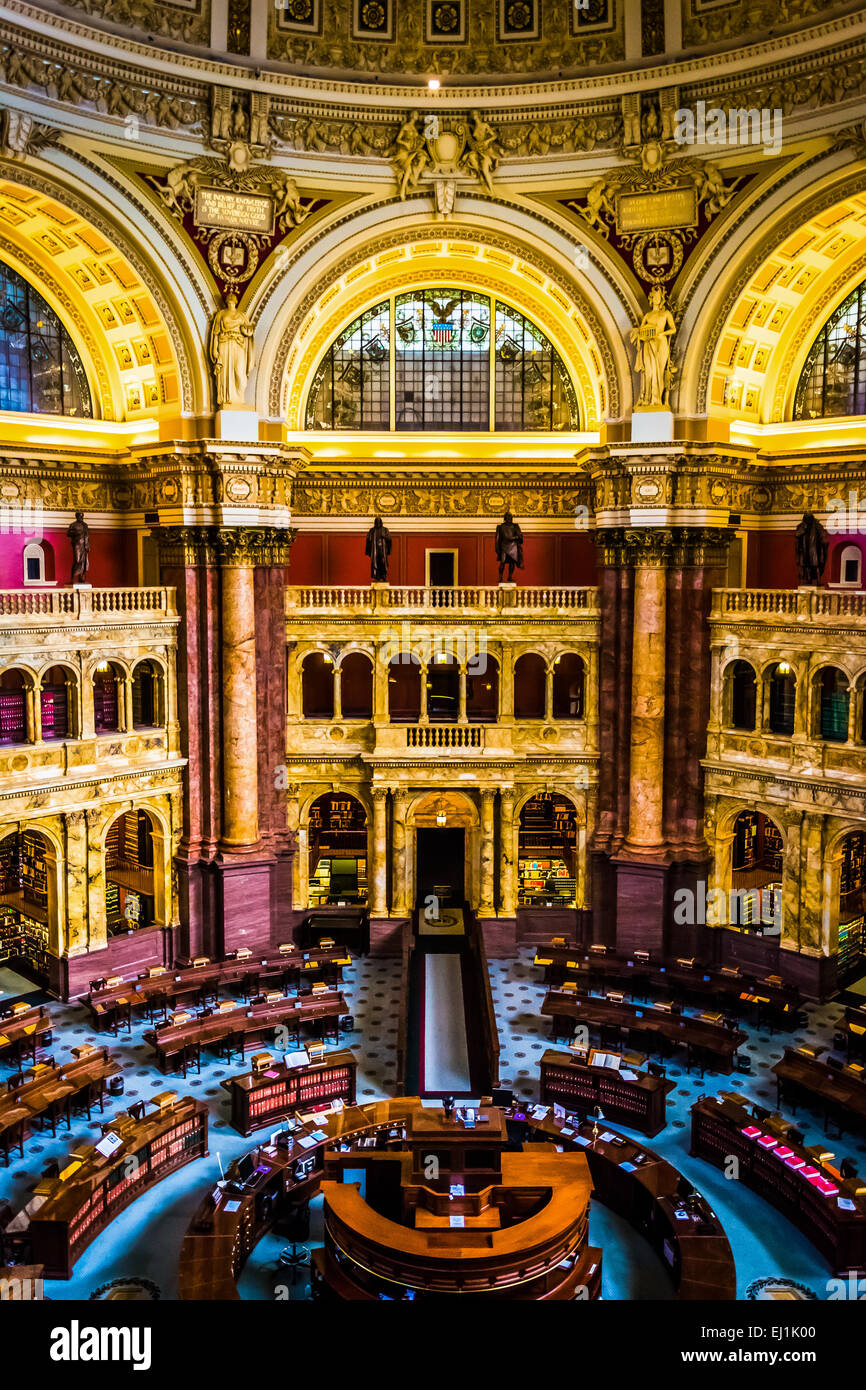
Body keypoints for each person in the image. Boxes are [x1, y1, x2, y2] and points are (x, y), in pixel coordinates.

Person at [629, 284, 676, 407]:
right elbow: (640, 329)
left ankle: (657, 400)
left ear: (661, 298)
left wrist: (662, 333)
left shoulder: (666, 313)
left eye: (658, 296)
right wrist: (640, 335)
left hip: (661, 344)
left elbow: (673, 329)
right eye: (654, 296)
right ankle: (647, 398)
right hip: (648, 344)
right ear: (651, 298)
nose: (656, 299)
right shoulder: (648, 315)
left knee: (659, 371)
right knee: (649, 371)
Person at [209, 292, 254, 407]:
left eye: (233, 298)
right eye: (229, 298)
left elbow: (249, 331)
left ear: (236, 301)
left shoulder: (242, 315)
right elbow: (216, 333)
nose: (231, 298)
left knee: (240, 372)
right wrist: (214, 349)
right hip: (225, 343)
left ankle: (240, 398)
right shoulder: (221, 314)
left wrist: (247, 330)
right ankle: (227, 398)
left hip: (238, 344)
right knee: (225, 372)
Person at [795, 512, 829, 585]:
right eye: (806, 518)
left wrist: (823, 548)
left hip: (815, 549)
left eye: (809, 518)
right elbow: (797, 535)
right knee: (806, 565)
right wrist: (803, 529)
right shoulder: (801, 526)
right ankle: (808, 580)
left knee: (816, 565)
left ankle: (818, 580)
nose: (808, 520)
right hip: (804, 549)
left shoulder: (817, 526)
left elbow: (823, 537)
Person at [495, 511, 524, 582]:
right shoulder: (500, 527)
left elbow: (520, 536)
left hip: (513, 546)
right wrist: (497, 548)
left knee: (512, 562)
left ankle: (510, 577)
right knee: (502, 562)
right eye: (508, 517)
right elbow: (497, 538)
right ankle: (500, 577)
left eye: (510, 517)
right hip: (504, 546)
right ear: (505, 518)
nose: (509, 518)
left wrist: (514, 538)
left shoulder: (515, 526)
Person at [365, 516, 392, 581]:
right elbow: (368, 540)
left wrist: (385, 537)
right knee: (375, 563)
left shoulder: (385, 530)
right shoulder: (372, 530)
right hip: (375, 550)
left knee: (383, 563)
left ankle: (383, 576)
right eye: (376, 522)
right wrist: (368, 551)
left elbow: (389, 540)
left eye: (379, 521)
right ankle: (376, 577)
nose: (378, 523)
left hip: (382, 550)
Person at [66, 510, 90, 583]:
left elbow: (87, 536)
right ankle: (72, 578)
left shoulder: (85, 525)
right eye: (80, 516)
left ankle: (81, 577)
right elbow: (68, 533)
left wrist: (88, 545)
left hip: (84, 545)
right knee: (77, 560)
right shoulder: (73, 525)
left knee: (84, 561)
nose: (81, 518)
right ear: (77, 517)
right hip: (77, 544)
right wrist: (76, 533)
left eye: (82, 516)